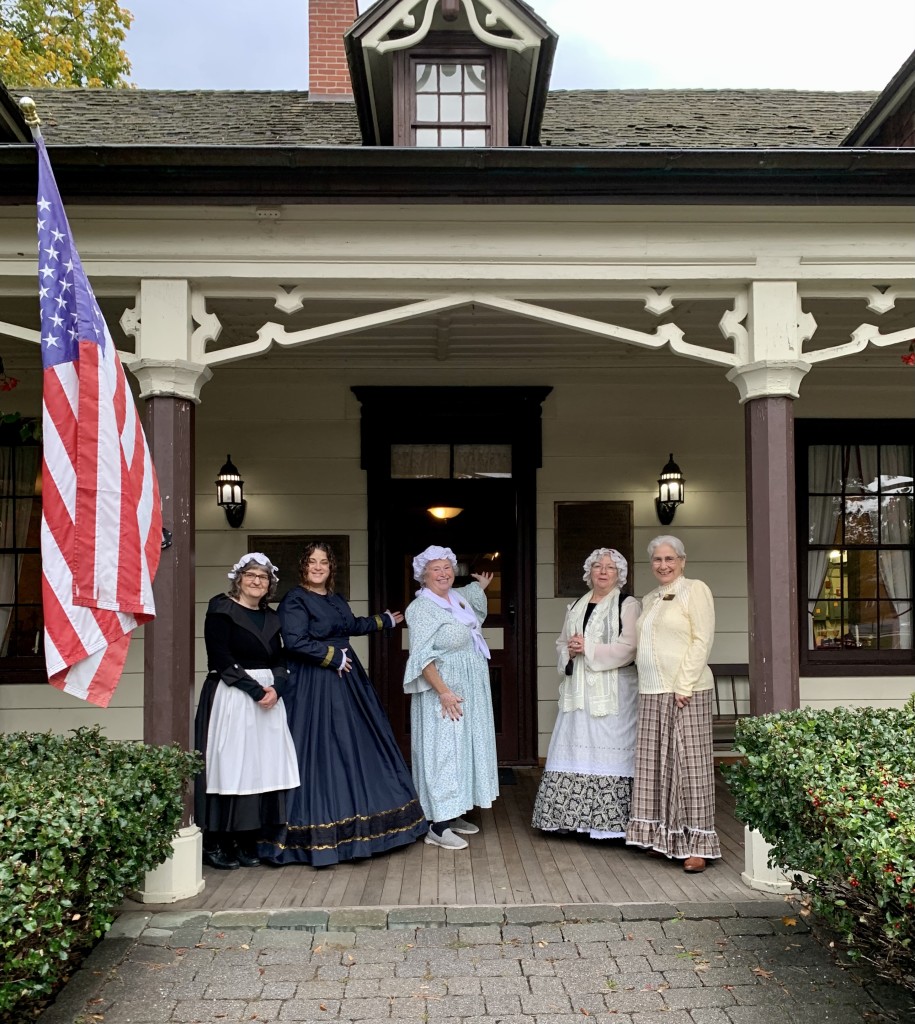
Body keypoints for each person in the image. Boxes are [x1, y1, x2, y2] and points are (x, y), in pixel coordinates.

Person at [259, 541, 427, 866]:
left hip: (346, 680)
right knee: (319, 751)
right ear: (304, 567)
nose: (319, 567)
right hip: (312, 683)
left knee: (356, 747)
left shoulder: (335, 599)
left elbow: (348, 626)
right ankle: (314, 836)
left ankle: (365, 828)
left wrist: (382, 621)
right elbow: (293, 641)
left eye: (324, 562)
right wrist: (329, 656)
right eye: (312, 562)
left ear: (330, 567)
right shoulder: (295, 599)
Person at [194, 553, 299, 870]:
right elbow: (221, 657)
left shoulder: (272, 617)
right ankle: (215, 842)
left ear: (270, 585)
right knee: (229, 767)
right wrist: (255, 691)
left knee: (259, 769)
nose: (257, 581)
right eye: (251, 575)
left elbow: (280, 658)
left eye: (264, 577)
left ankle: (245, 840)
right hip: (233, 695)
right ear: (238, 578)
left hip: (267, 699)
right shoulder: (221, 609)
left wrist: (277, 688)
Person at [625, 535, 721, 873]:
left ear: (682, 561)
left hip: (686, 689)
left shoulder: (695, 589)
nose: (663, 565)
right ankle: (663, 838)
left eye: (669, 559)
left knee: (691, 768)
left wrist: (685, 684)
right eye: (657, 560)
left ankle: (698, 845)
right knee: (657, 767)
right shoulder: (649, 598)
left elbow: (701, 639)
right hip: (652, 690)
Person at [531, 548, 640, 838]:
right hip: (579, 691)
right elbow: (561, 642)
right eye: (597, 566)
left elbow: (629, 647)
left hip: (614, 694)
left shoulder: (628, 605)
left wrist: (588, 649)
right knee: (576, 745)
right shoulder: (577, 604)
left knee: (609, 750)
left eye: (610, 568)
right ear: (588, 572)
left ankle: (610, 826)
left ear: (620, 575)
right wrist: (569, 650)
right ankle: (570, 820)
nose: (603, 572)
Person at [403, 545, 499, 851]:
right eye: (436, 569)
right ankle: (437, 823)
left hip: (470, 684)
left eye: (447, 567)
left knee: (464, 747)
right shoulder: (421, 609)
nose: (443, 573)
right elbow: (421, 657)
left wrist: (480, 586)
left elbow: (472, 604)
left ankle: (454, 811)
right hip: (443, 689)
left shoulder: (456, 597)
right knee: (443, 752)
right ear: (423, 575)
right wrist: (443, 691)